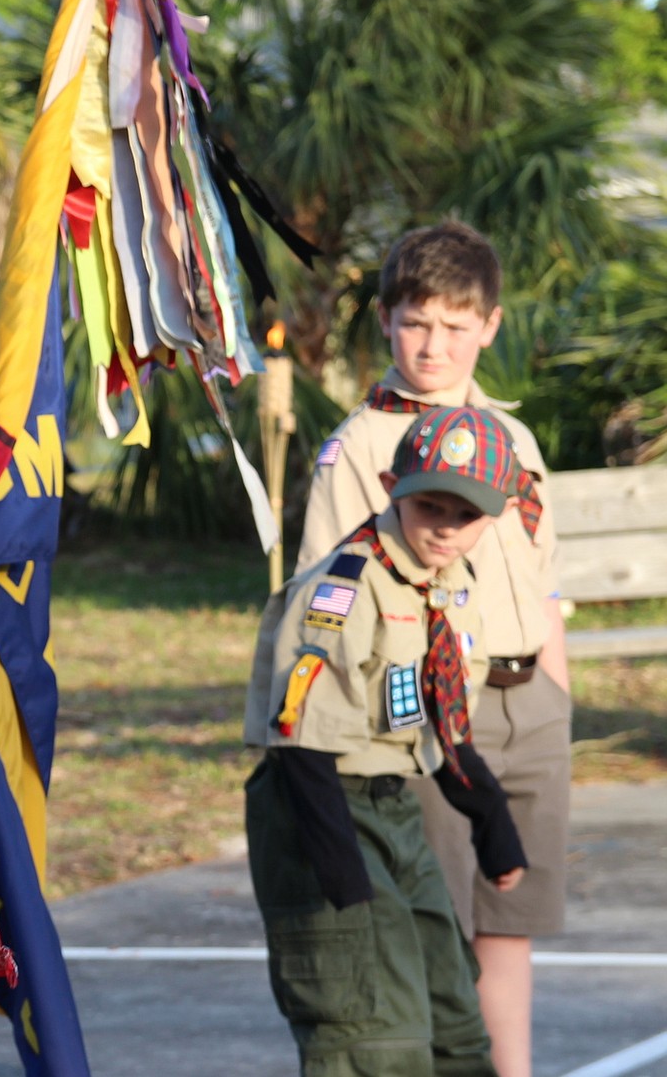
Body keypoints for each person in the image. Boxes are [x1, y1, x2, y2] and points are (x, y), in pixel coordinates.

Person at [297, 221, 567, 1077]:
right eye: (416, 322)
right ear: (385, 320)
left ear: (489, 325)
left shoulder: (512, 441)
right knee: (438, 924)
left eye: (456, 326)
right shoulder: (364, 450)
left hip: (531, 706)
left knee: (510, 920)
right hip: (435, 711)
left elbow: (542, 580)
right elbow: (328, 610)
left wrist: (556, 699)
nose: (434, 346)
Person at [245, 406, 532, 1075]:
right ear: (390, 484)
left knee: (452, 1017)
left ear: (497, 515)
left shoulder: (452, 586)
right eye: (431, 506)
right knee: (372, 1033)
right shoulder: (343, 589)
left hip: (394, 808)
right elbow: (300, 748)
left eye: (468, 516)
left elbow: (446, 718)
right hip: (321, 809)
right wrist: (345, 882)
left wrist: (490, 821)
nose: (447, 528)